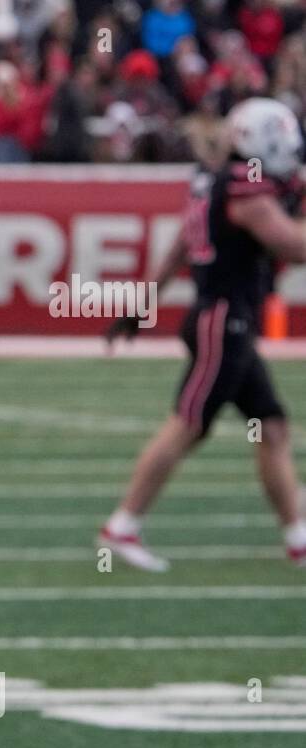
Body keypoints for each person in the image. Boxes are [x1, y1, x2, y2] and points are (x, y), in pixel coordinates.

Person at [100, 97, 306, 570]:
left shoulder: (219, 181)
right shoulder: (246, 190)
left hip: (226, 318)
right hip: (223, 321)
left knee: (271, 425)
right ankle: (121, 526)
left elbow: (179, 245)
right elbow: (293, 246)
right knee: (189, 423)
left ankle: (296, 537)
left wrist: (143, 302)